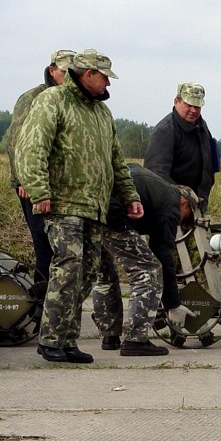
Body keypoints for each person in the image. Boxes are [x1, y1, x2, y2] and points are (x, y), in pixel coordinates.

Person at [14, 49, 142, 364]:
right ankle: (50, 341)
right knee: (67, 265)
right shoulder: (53, 101)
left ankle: (68, 341)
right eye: (104, 77)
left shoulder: (102, 114)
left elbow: (116, 161)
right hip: (62, 202)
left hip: (94, 207)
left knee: (86, 272)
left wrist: (130, 196)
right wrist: (38, 190)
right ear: (88, 74)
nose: (108, 84)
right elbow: (31, 147)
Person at [91, 164, 200, 356]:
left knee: (105, 274)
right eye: (187, 217)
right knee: (148, 270)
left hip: (89, 209)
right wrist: (173, 304)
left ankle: (110, 335)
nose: (182, 222)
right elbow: (163, 256)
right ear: (185, 203)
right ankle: (136, 339)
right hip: (113, 212)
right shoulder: (171, 205)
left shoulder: (155, 187)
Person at [6, 49, 76, 286]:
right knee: (43, 244)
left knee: (62, 249)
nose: (69, 77)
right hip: (34, 186)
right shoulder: (33, 97)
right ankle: (40, 301)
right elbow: (17, 142)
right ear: (52, 70)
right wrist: (26, 181)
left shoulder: (73, 100)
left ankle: (54, 301)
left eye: (73, 72)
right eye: (65, 72)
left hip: (63, 187)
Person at [144, 82, 219, 213]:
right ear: (176, 101)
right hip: (171, 209)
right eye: (189, 105)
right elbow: (155, 176)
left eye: (197, 106)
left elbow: (210, 166)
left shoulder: (202, 127)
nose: (194, 110)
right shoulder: (165, 131)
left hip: (198, 206)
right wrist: (181, 200)